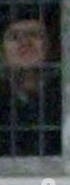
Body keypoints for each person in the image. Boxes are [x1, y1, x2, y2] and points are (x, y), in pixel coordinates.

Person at [0, 3, 59, 155]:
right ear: (2, 51)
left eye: (34, 34)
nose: (25, 43)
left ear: (50, 46)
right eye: (14, 37)